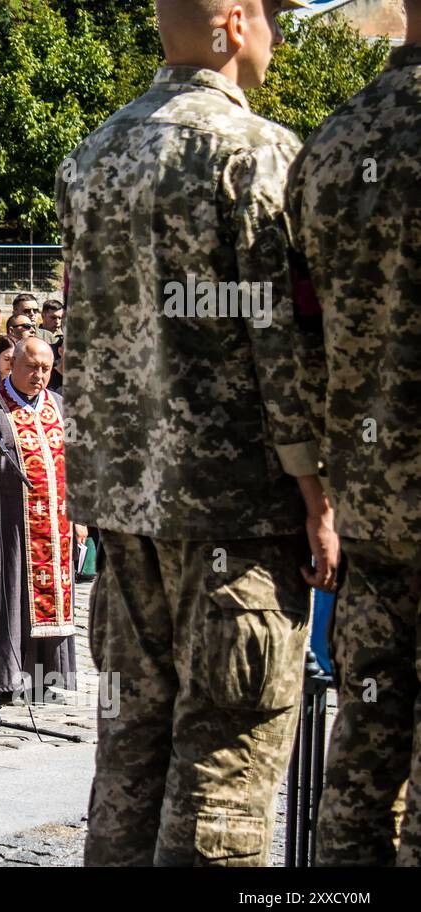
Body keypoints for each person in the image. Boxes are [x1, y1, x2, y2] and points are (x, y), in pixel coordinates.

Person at [56, 0, 336, 867]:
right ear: (235, 21)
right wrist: (318, 496)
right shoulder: (254, 155)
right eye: (273, 19)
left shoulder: (93, 155)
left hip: (125, 515)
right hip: (236, 520)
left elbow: (82, 336)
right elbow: (282, 348)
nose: (279, 39)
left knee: (128, 761)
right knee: (224, 770)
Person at [286, 0, 421, 865]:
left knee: (363, 753)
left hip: (370, 510)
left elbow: (294, 342)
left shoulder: (331, 146)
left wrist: (319, 492)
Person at [0, 337, 82, 704]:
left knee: (55, 598)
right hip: (11, 522)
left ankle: (47, 679)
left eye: (46, 369)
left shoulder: (59, 405)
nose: (39, 376)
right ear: (12, 365)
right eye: (32, 367)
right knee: (14, 598)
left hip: (57, 525)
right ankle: (8, 680)